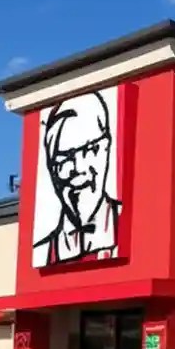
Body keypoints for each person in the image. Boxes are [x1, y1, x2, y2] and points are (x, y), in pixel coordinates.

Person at [32, 91, 121, 267]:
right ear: (51, 170)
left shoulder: (136, 232)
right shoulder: (41, 253)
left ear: (106, 150)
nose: (78, 169)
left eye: (89, 150)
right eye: (64, 159)